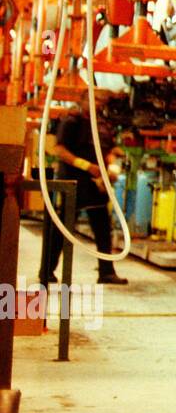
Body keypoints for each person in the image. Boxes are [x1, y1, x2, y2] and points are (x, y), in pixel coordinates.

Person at [44, 106, 127, 285]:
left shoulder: (103, 124)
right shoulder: (72, 121)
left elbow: (109, 150)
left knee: (103, 228)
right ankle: (47, 271)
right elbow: (59, 149)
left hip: (96, 184)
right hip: (74, 182)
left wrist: (111, 167)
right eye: (97, 99)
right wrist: (86, 166)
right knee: (63, 228)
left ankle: (106, 272)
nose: (101, 104)